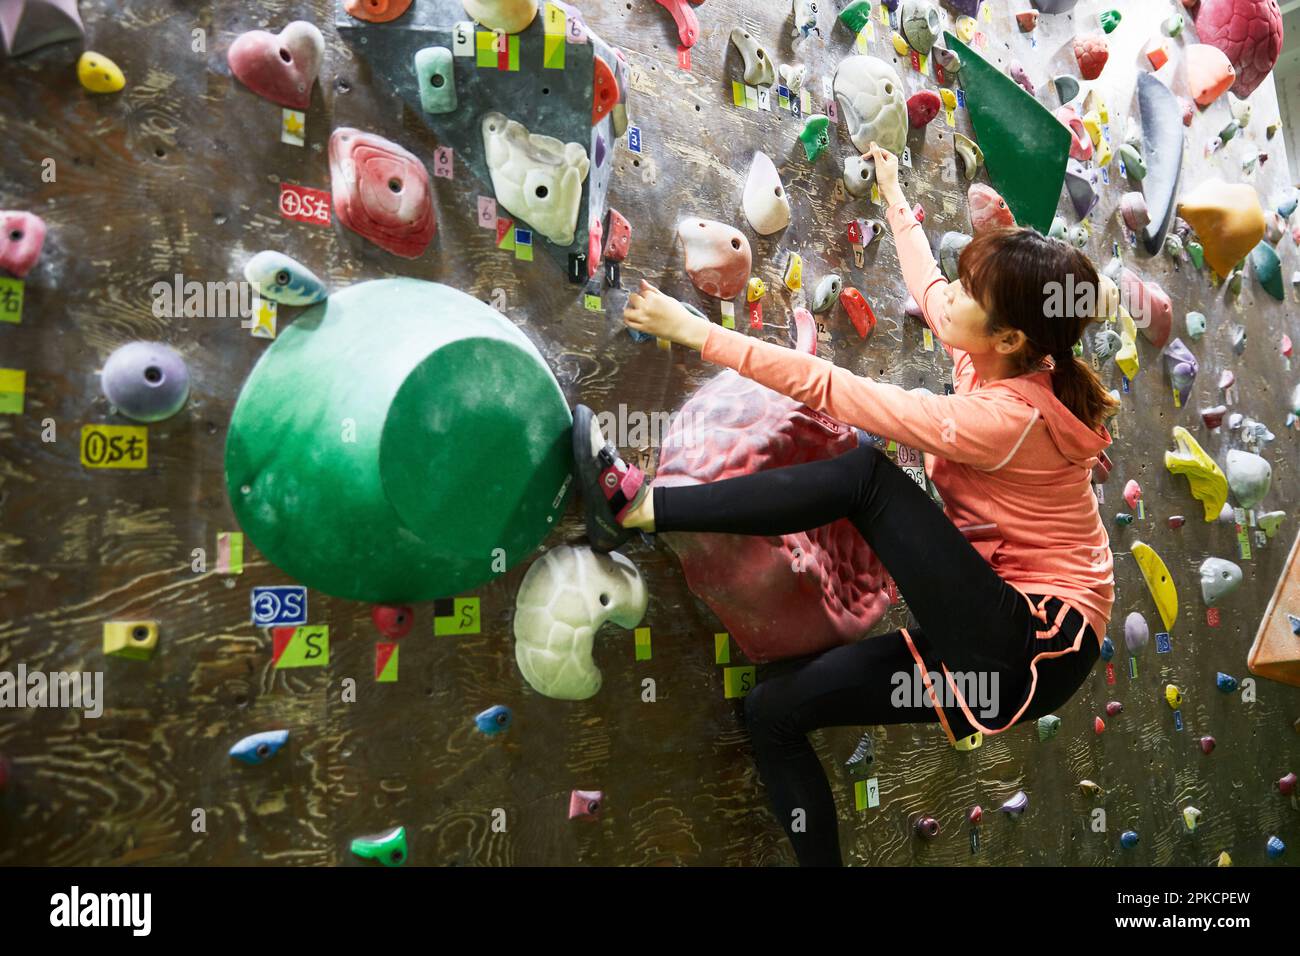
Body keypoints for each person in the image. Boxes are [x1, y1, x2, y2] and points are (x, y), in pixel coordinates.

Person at [570, 143, 1118, 866]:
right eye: (961, 283)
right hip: (1009, 653)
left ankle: (642, 509)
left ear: (1011, 336)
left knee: (865, 476)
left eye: (966, 295)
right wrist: (893, 192)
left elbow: (836, 391)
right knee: (773, 712)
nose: (947, 298)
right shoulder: (994, 358)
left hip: (1037, 635)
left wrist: (698, 331)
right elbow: (927, 287)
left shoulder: (1006, 419)